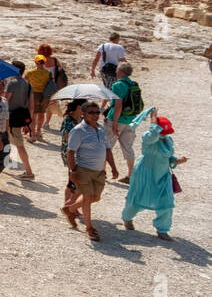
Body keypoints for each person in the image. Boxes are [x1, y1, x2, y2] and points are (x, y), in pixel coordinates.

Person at [121, 110, 183, 241]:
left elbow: (168, 157)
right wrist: (153, 118)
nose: (164, 134)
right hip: (145, 175)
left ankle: (162, 229)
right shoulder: (148, 137)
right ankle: (127, 218)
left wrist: (176, 161)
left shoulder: (168, 140)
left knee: (167, 202)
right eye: (163, 132)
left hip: (163, 176)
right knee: (136, 200)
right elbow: (154, 135)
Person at [65, 101, 119, 241]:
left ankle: (70, 209)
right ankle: (89, 228)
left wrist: (113, 167)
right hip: (83, 169)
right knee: (88, 198)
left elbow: (107, 149)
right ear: (83, 114)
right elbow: (70, 152)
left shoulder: (101, 129)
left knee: (96, 197)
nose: (95, 115)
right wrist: (73, 171)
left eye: (97, 112)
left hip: (99, 170)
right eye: (91, 112)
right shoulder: (78, 131)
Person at [106, 61, 143, 184]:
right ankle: (130, 174)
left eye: (117, 70)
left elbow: (118, 105)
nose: (116, 71)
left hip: (117, 119)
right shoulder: (134, 84)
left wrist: (115, 122)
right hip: (131, 119)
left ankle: (102, 173)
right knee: (128, 147)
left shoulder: (118, 85)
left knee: (106, 145)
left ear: (121, 72)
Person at [4, 61, 35, 178]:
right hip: (21, 117)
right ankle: (5, 159)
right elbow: (31, 106)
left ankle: (29, 171)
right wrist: (28, 123)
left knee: (19, 145)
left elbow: (5, 101)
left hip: (10, 118)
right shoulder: (28, 84)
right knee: (9, 140)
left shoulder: (12, 83)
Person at [25, 54, 53, 142]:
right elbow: (51, 85)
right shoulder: (49, 73)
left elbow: (25, 84)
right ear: (44, 62)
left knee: (33, 115)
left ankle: (32, 135)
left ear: (35, 62)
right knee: (41, 114)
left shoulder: (30, 72)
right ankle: (39, 132)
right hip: (45, 96)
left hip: (34, 95)